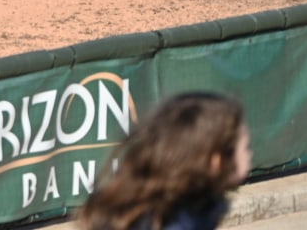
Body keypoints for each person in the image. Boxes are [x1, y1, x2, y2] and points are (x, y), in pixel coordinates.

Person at [76, 92, 252, 230]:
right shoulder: (177, 221)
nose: (250, 154)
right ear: (216, 160)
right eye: (246, 147)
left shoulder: (191, 211)